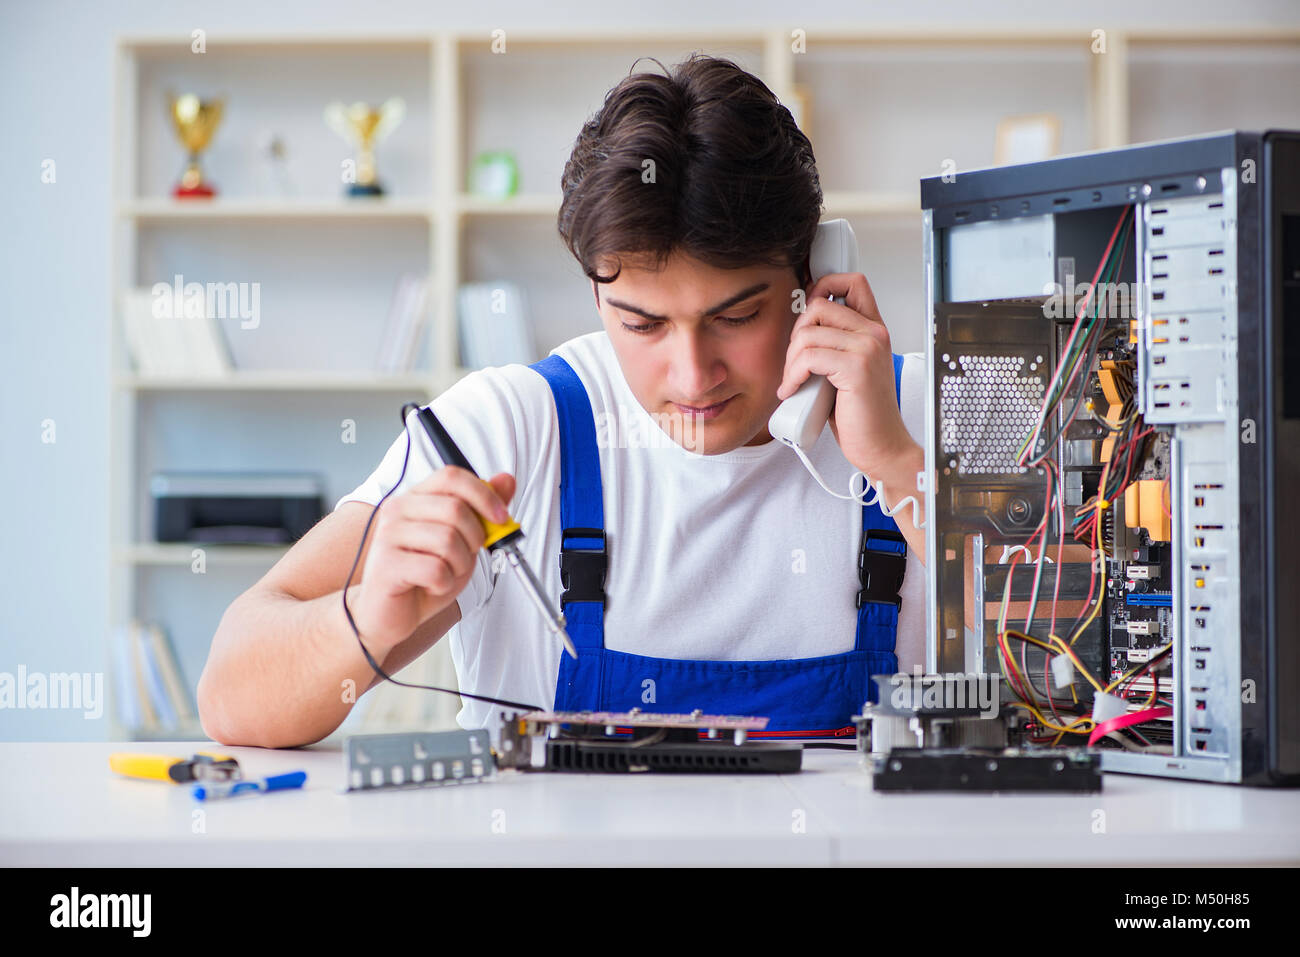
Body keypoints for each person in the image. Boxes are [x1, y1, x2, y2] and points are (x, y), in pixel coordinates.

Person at [197, 54, 928, 749]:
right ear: (596, 293)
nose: (692, 374)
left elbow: (1044, 671)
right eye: (642, 323)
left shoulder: (921, 413)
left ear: (819, 272)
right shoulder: (513, 430)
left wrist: (899, 470)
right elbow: (229, 692)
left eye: (735, 316)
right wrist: (366, 615)